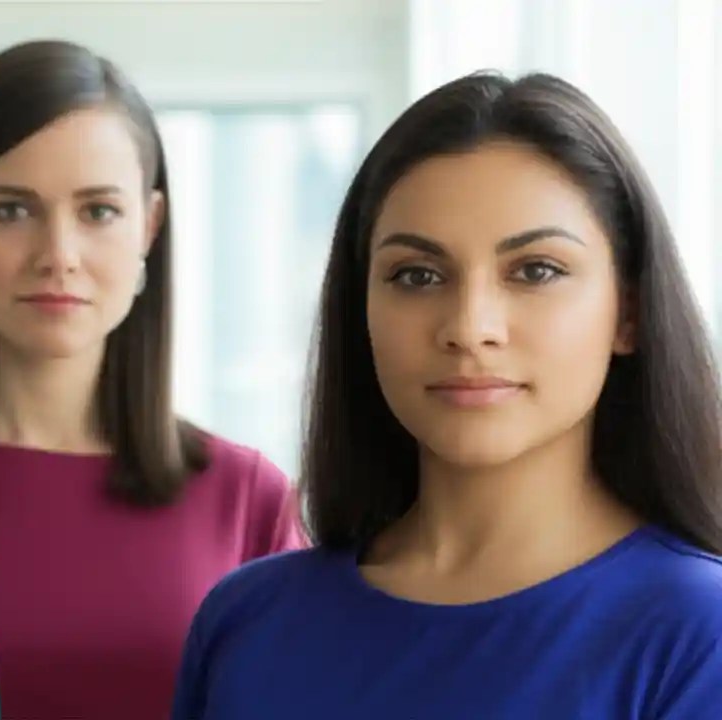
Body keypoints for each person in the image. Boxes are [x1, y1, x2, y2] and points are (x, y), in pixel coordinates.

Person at [171, 70, 722, 719]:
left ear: (628, 313)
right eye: (417, 275)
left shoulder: (697, 635)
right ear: (362, 310)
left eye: (535, 271)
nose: (469, 328)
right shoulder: (246, 623)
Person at [0, 39, 303, 720]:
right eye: (13, 209)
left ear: (149, 228)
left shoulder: (247, 501)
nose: (58, 255)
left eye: (98, 211)